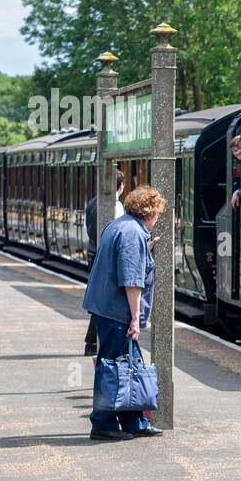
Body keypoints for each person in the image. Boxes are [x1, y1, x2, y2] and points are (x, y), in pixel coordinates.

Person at [81, 184, 164, 441]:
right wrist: (136, 319)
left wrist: (145, 251)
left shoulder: (119, 226)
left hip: (106, 308)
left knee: (129, 365)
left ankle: (134, 421)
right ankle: (102, 423)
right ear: (149, 212)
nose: (157, 219)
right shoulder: (133, 234)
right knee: (111, 367)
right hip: (117, 312)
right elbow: (131, 281)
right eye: (158, 214)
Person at [82, 170, 126, 356]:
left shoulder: (92, 202)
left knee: (99, 296)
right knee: (106, 298)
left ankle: (91, 342)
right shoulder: (116, 207)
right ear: (121, 186)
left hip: (93, 251)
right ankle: (93, 342)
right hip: (107, 257)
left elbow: (87, 229)